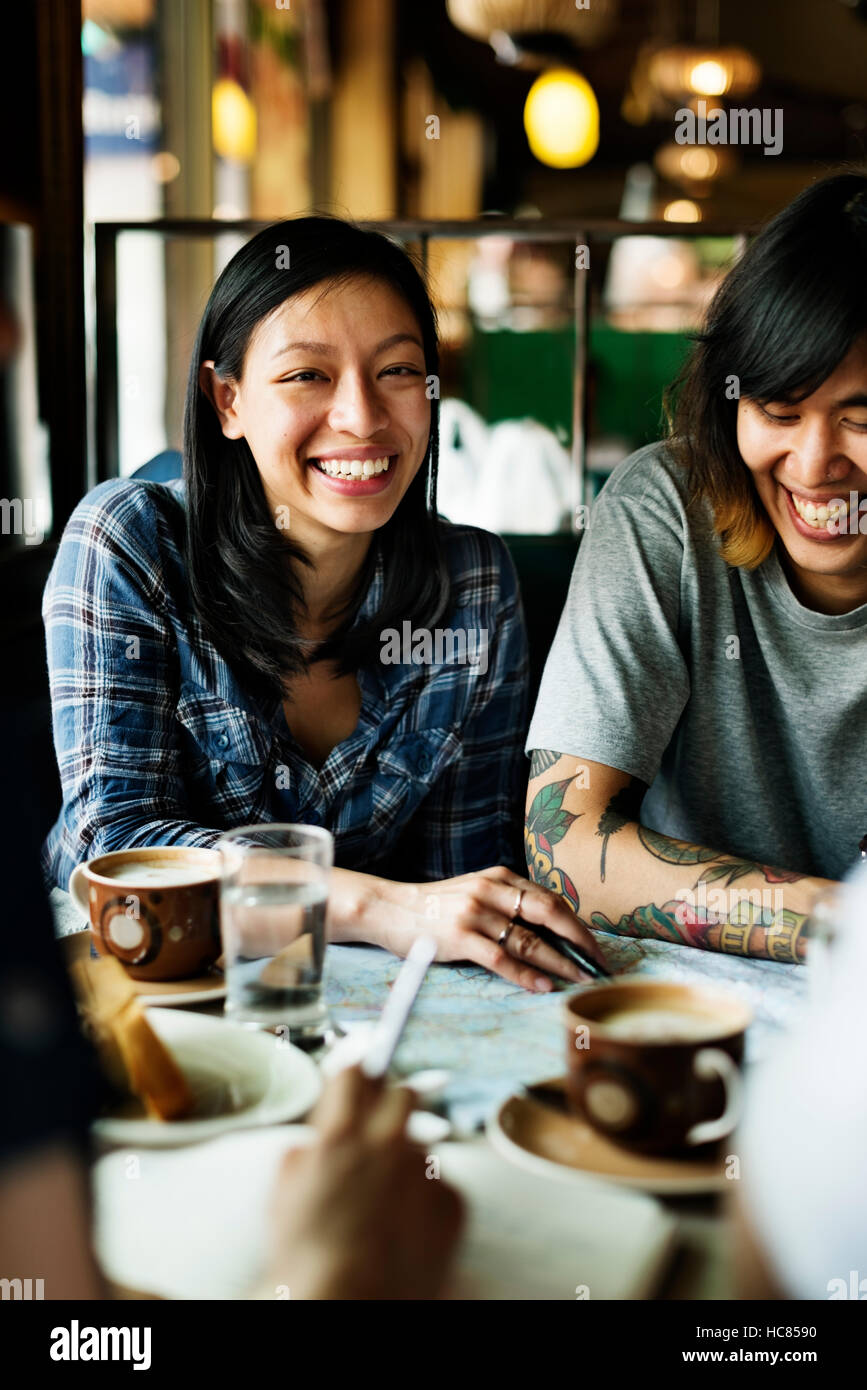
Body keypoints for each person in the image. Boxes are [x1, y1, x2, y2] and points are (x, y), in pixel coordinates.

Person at [42, 216, 607, 992]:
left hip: (368, 1001)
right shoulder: (132, 543)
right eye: (308, 375)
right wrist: (380, 907)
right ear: (228, 400)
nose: (363, 417)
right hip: (136, 984)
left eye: (398, 371)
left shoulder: (473, 586)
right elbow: (115, 848)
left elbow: (464, 881)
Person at [524, 171, 867, 964]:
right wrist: (834, 926)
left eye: (861, 420)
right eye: (778, 413)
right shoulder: (665, 508)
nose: (814, 466)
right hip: (694, 1013)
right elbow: (559, 847)